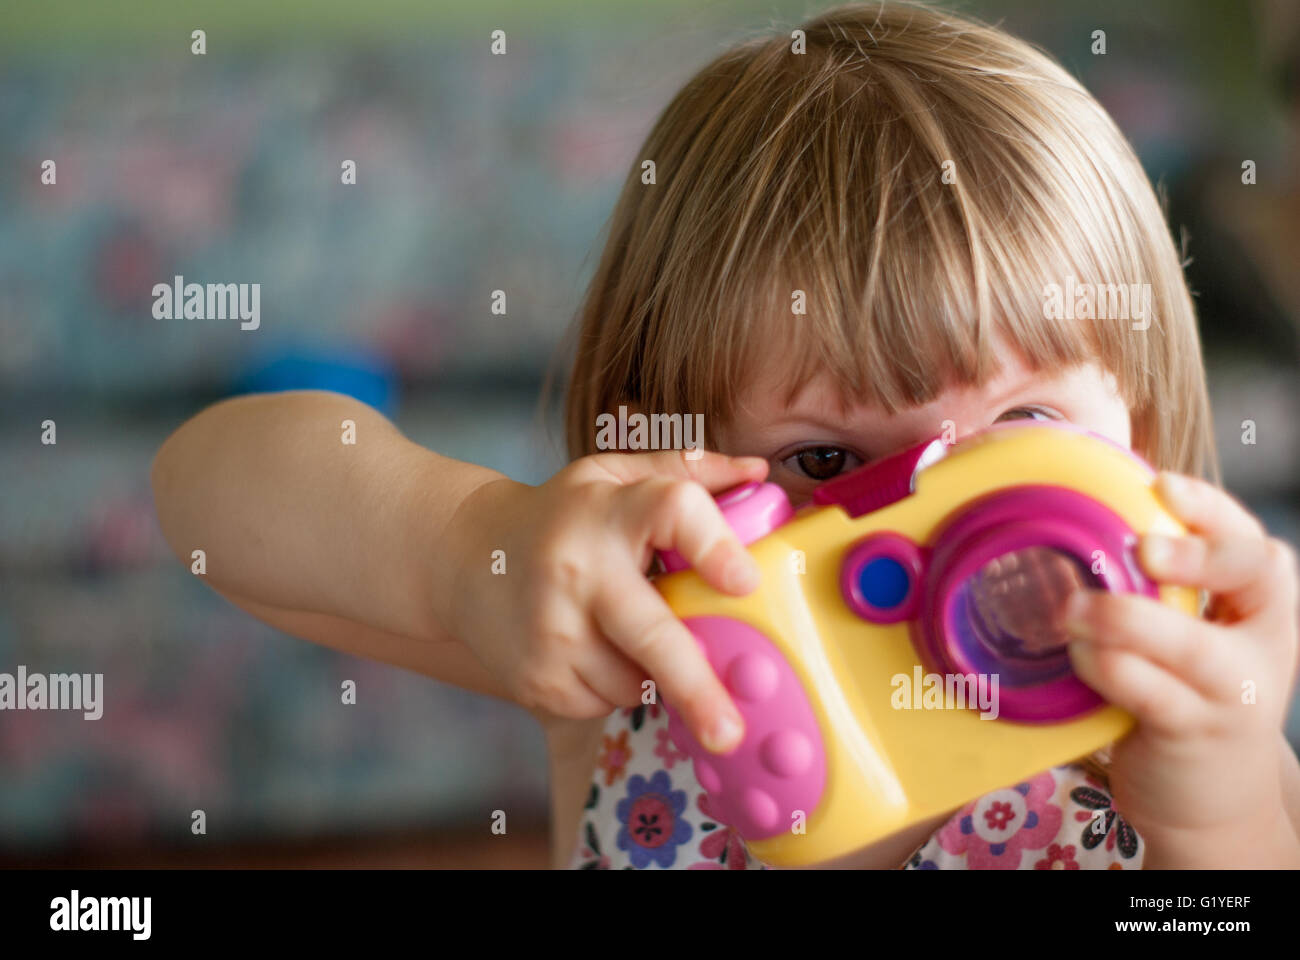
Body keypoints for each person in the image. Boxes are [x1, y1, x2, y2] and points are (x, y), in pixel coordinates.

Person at [151, 1, 1300, 869]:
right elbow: (205, 496)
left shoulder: (1182, 729)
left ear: (1141, 426)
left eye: (1026, 425)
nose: (951, 522)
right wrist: (472, 552)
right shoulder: (656, 659)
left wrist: (1219, 810)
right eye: (826, 461)